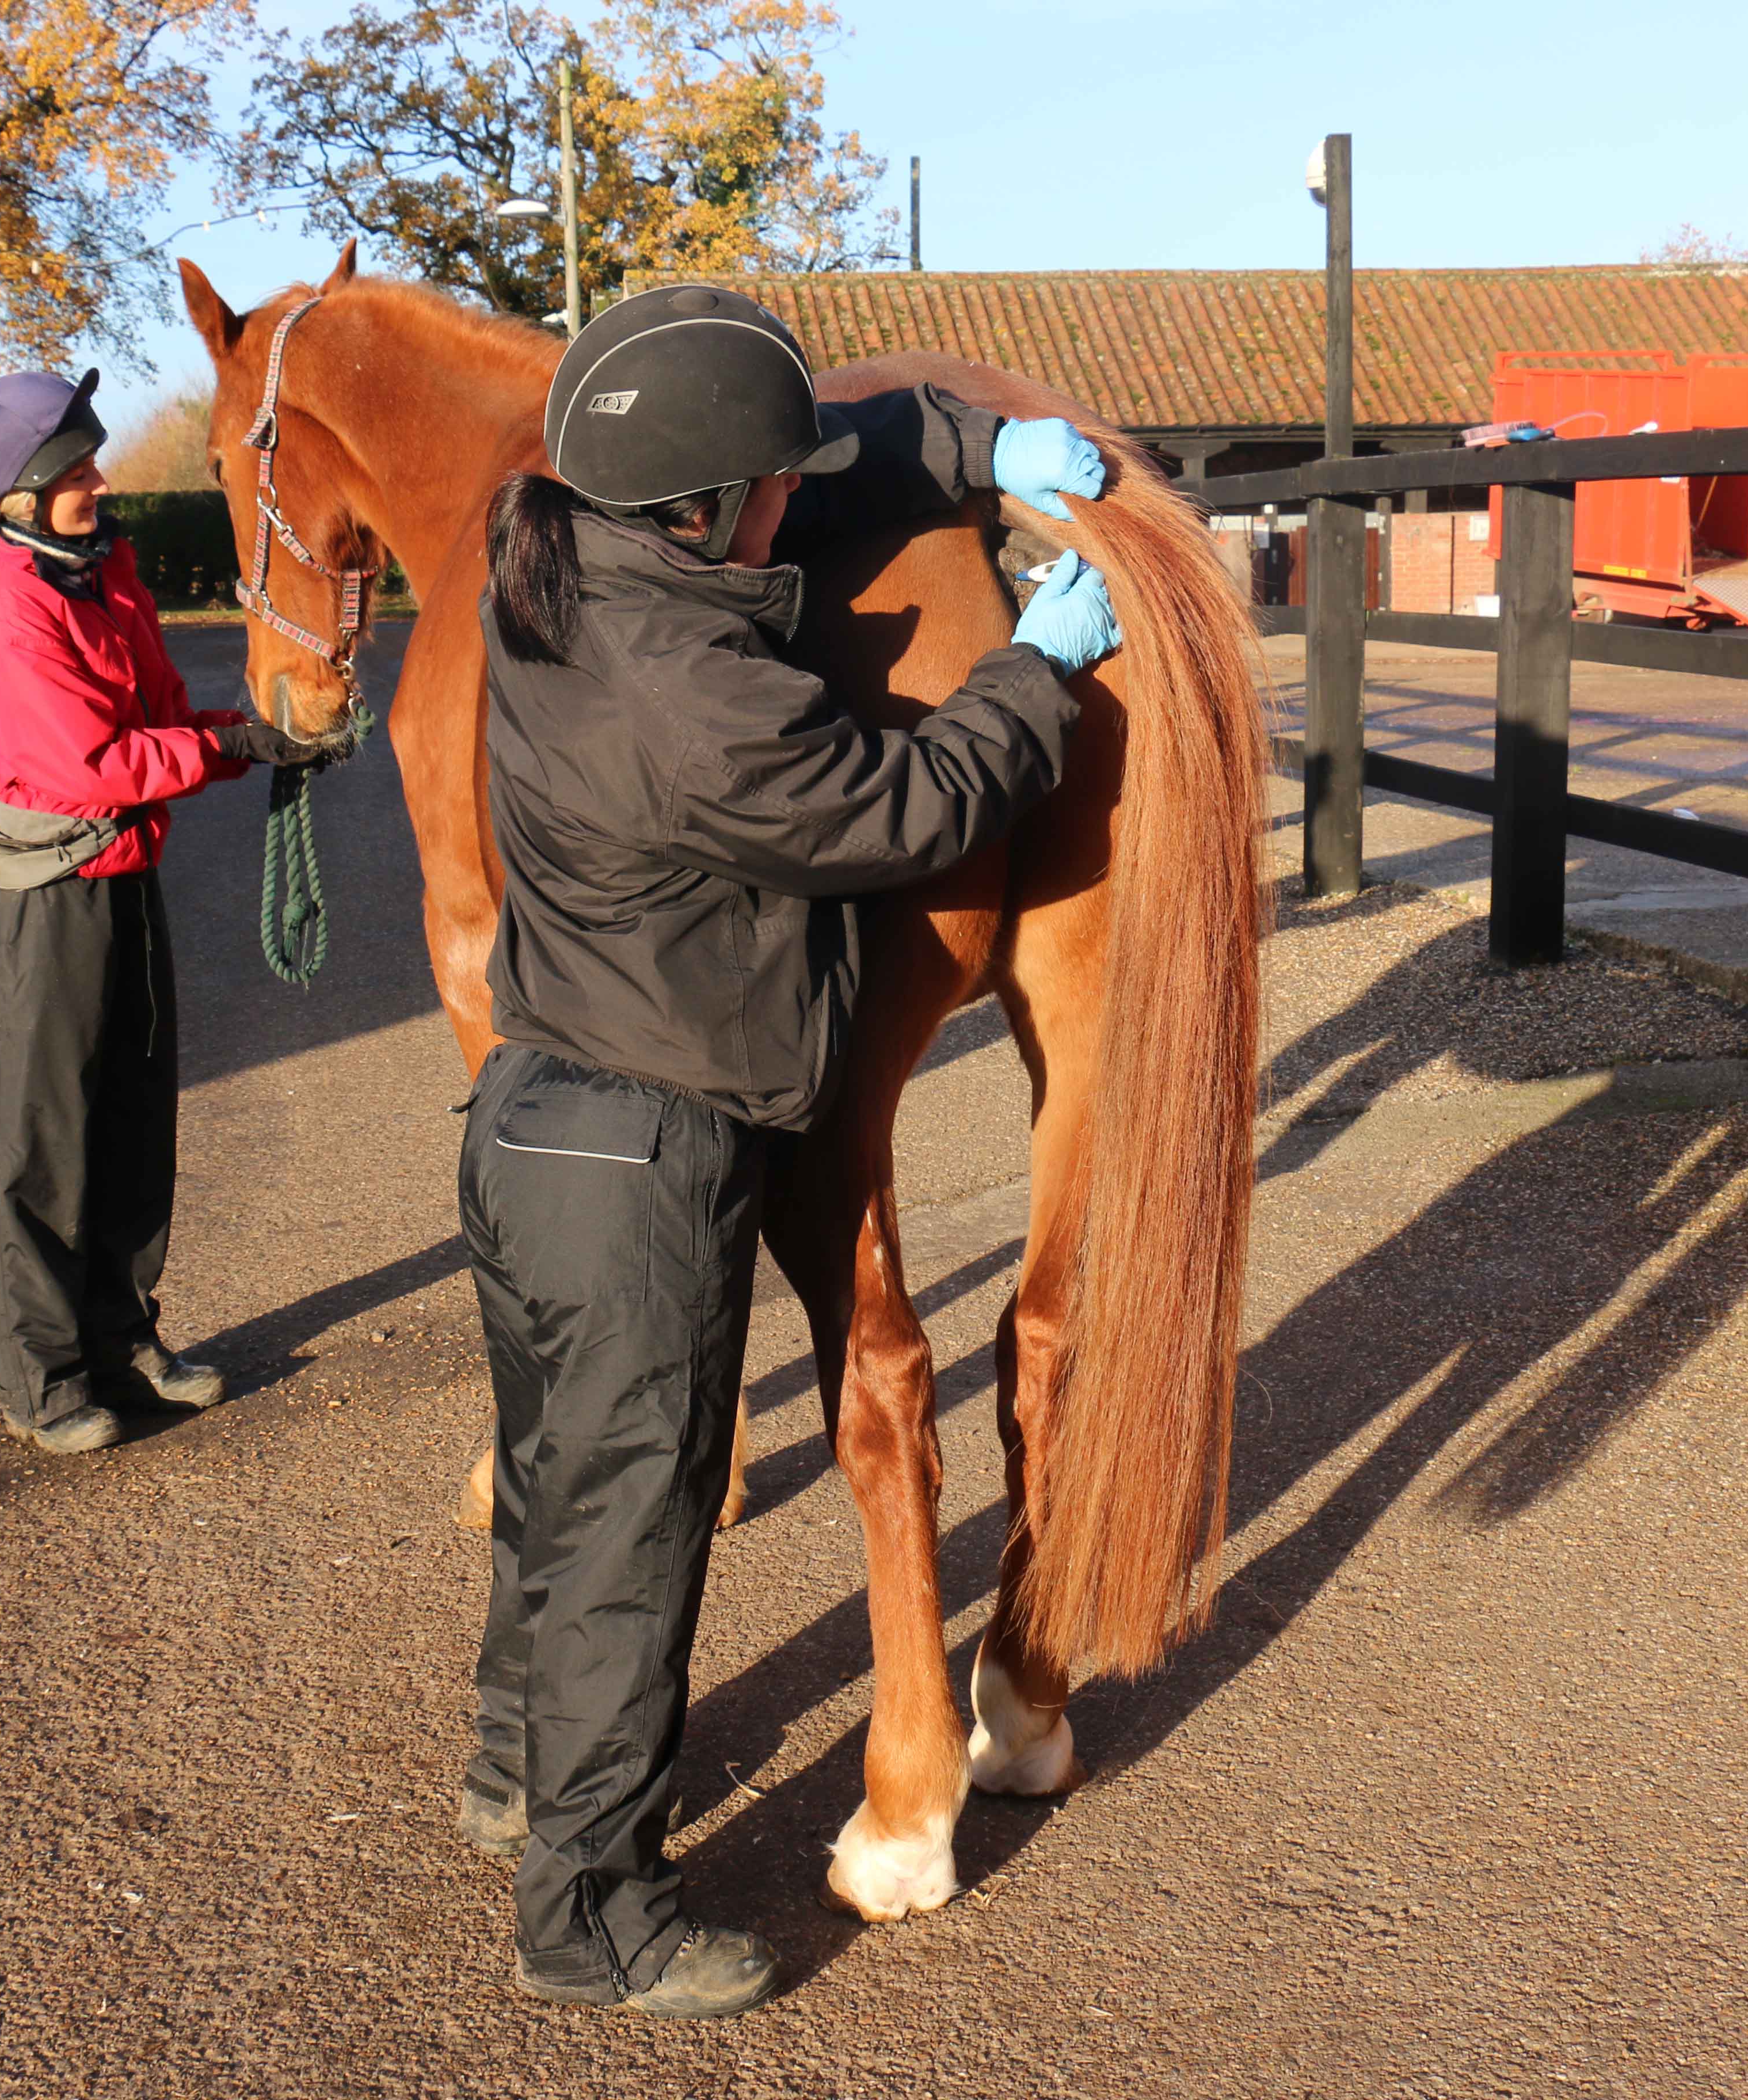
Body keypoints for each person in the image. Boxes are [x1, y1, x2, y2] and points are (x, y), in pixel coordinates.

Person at [456, 287, 1124, 2018]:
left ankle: (514, 1764)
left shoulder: (566, 558)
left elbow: (836, 460)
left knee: (552, 1472)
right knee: (639, 1522)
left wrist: (976, 443)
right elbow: (895, 812)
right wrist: (1035, 666)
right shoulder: (695, 698)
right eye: (771, 483)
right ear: (707, 505)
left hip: (533, 1124)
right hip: (648, 1153)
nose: (793, 498)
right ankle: (588, 1915)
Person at [0, 367, 337, 1455]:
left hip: (122, 881)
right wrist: (230, 747)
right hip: (48, 905)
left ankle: (121, 1338)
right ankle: (46, 1377)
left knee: (132, 1127)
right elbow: (96, 764)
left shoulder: (107, 578)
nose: (99, 480)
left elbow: (155, 713)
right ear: (19, 494)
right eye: (75, 469)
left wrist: (251, 733)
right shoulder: (7, 618)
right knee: (42, 1147)